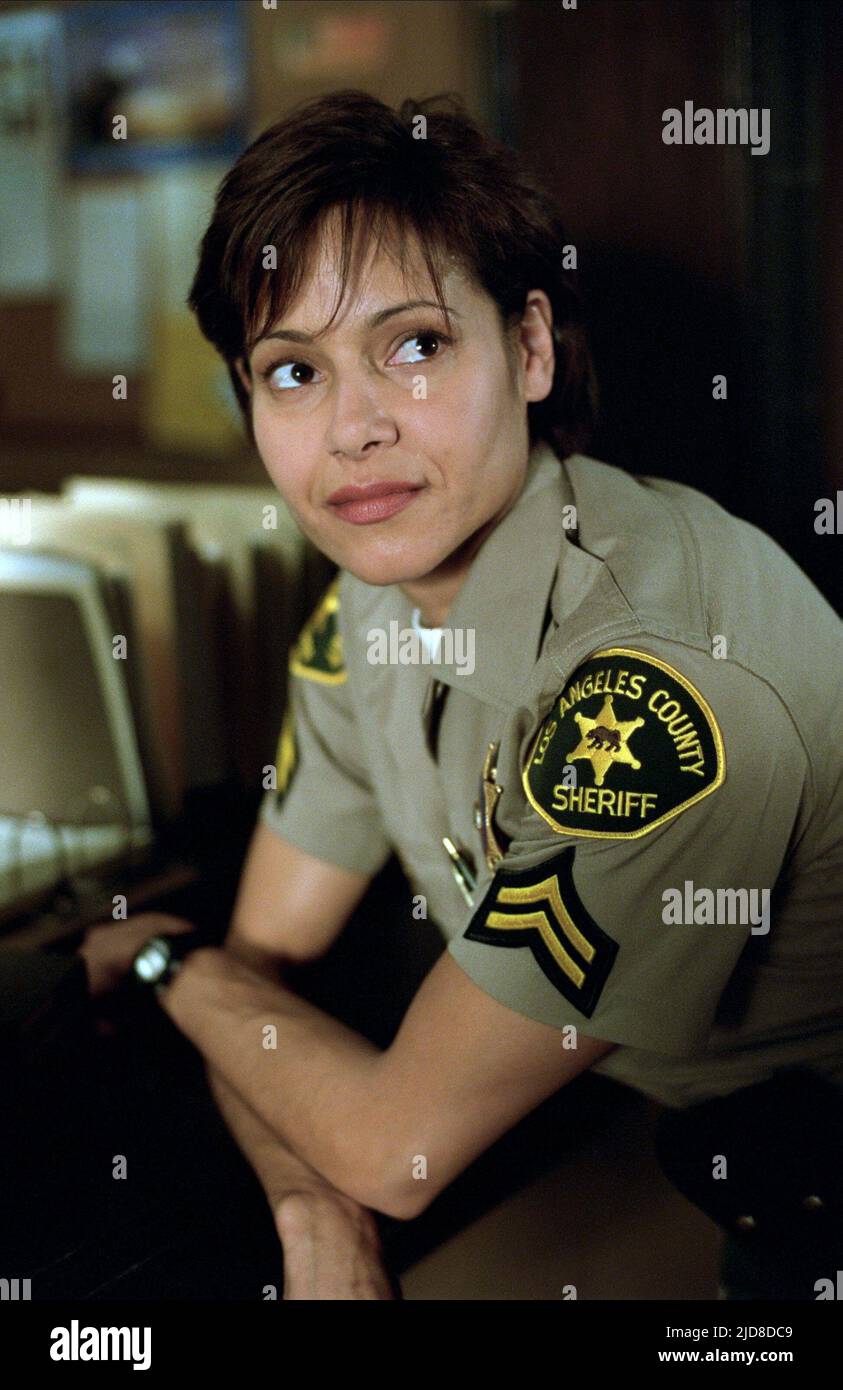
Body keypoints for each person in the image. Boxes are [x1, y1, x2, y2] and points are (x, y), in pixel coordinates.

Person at [81, 89, 843, 1301]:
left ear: (531, 347)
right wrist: (308, 1205)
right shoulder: (366, 615)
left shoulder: (657, 686)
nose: (355, 430)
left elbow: (394, 1142)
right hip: (632, 1115)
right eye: (292, 372)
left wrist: (173, 968)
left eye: (417, 345)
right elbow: (268, 969)